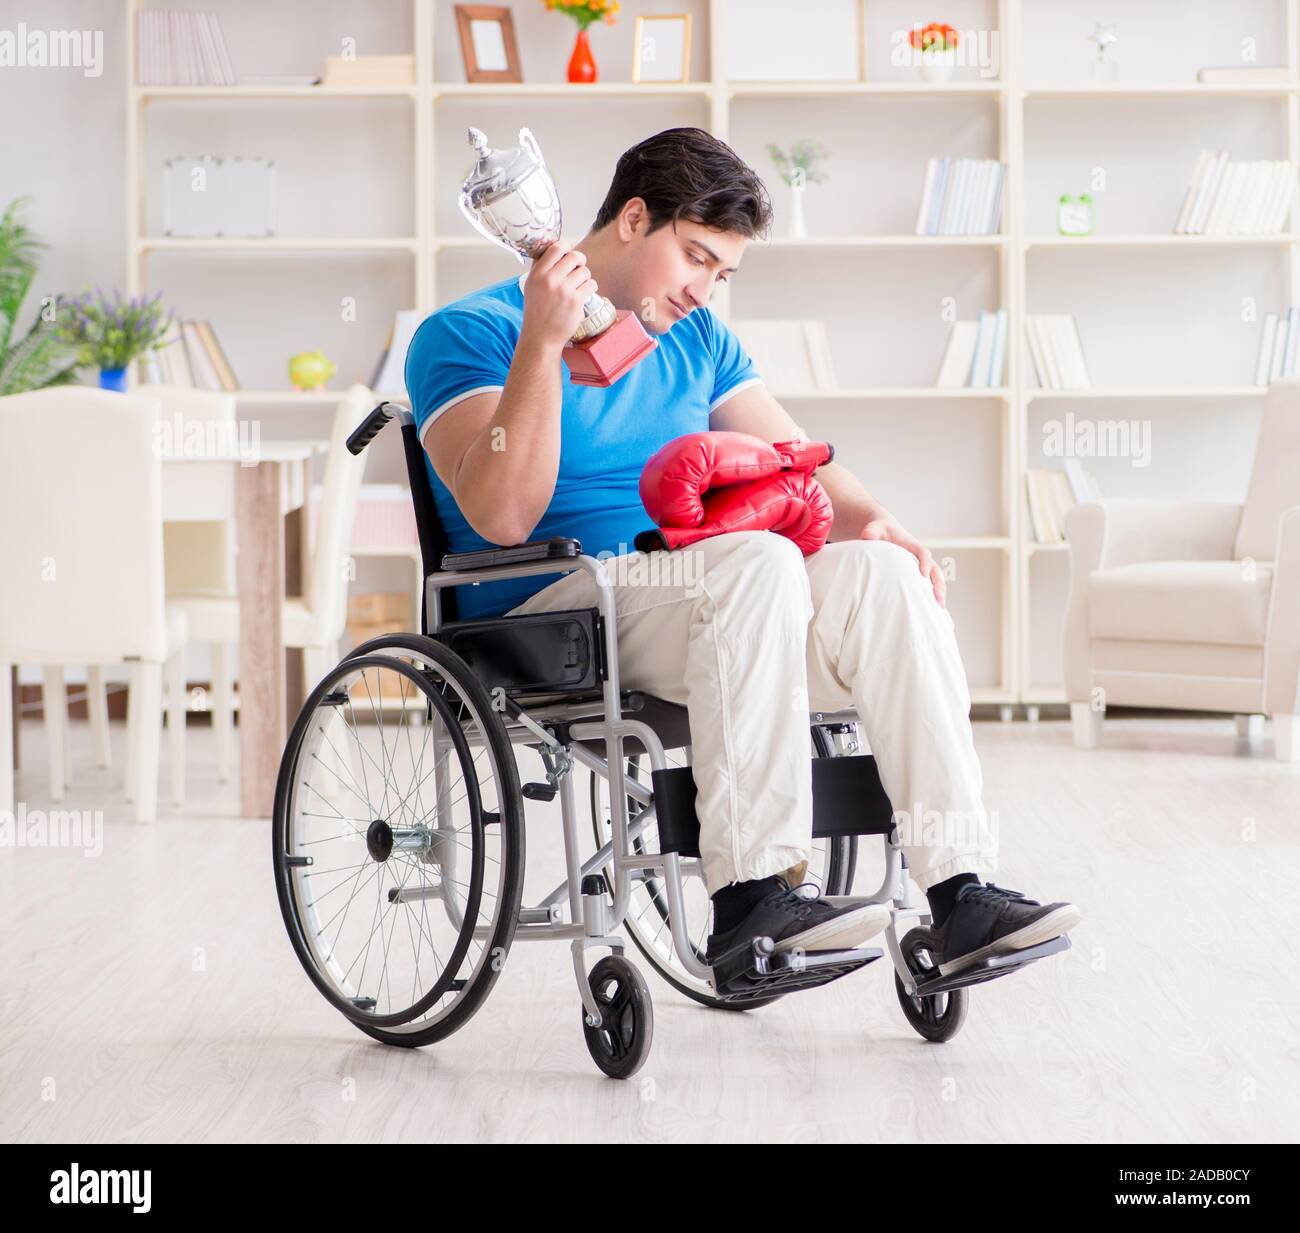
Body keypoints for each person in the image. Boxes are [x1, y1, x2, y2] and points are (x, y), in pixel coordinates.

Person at [405, 126, 1080, 981]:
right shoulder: (464, 332)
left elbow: (803, 457)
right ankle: (752, 899)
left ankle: (961, 893)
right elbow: (502, 513)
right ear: (633, 218)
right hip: (556, 610)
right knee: (755, 561)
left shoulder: (699, 342)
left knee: (881, 575)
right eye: (694, 257)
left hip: (706, 600)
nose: (703, 289)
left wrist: (878, 520)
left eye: (722, 272)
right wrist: (542, 341)